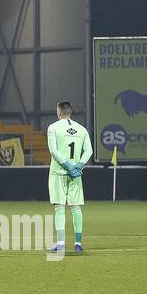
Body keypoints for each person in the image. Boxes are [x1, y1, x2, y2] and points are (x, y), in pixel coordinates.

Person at [45, 101, 91, 254]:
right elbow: (89, 151)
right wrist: (78, 166)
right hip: (75, 174)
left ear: (59, 113)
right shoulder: (82, 129)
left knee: (59, 207)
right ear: (70, 112)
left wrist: (68, 166)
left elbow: (53, 150)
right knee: (76, 207)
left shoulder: (53, 128)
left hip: (58, 172)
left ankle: (61, 243)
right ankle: (78, 243)